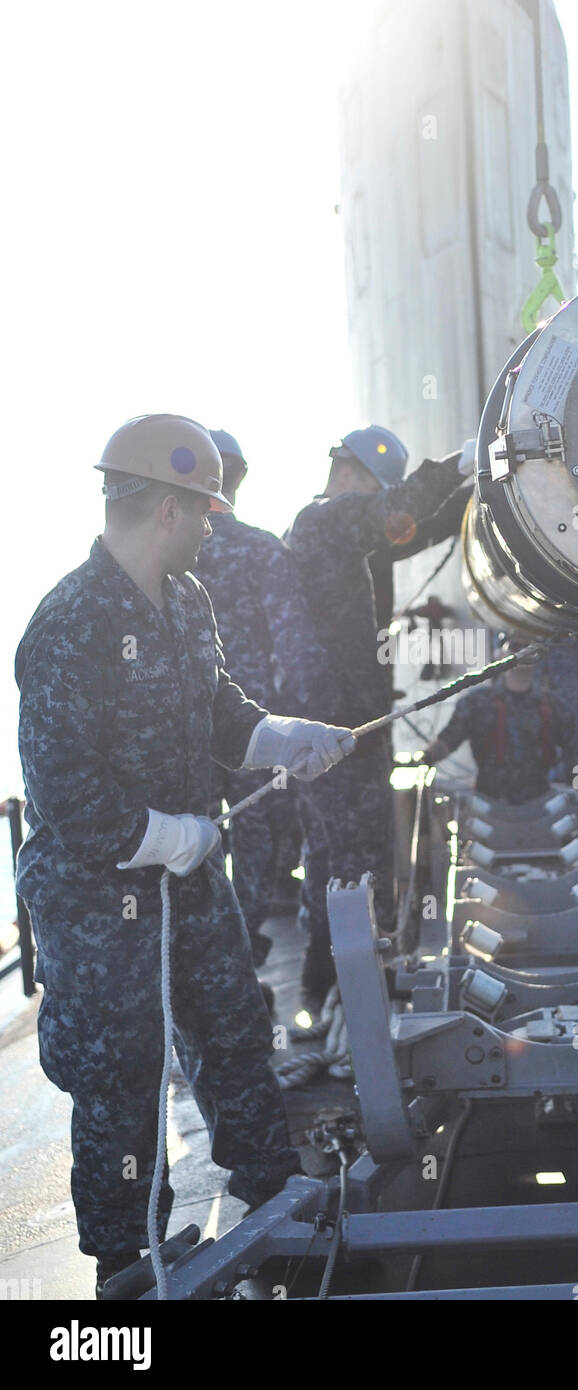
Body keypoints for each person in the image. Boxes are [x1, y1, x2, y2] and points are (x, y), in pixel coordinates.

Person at [15, 414, 355, 1295]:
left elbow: (220, 710)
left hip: (189, 876)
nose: (216, 522)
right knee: (120, 1070)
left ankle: (271, 1191)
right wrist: (171, 837)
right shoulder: (67, 626)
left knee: (233, 1025)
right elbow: (67, 796)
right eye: (205, 508)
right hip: (98, 896)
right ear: (166, 509)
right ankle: (128, 1259)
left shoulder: (188, 600)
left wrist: (284, 737)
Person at [284, 425, 474, 1007]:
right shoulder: (323, 521)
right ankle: (345, 984)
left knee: (349, 851)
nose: (375, 497)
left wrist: (476, 492)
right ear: (347, 472)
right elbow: (392, 513)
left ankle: (339, 977)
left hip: (352, 723)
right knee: (349, 856)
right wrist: (460, 463)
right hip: (337, 727)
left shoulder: (347, 533)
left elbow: (414, 527)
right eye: (373, 485)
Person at [194, 429, 313, 970]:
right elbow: (293, 646)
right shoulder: (263, 549)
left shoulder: (160, 551)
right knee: (258, 831)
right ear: (238, 480)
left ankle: (206, 946)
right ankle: (239, 944)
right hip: (252, 729)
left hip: (179, 727)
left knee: (190, 838)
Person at [421, 636, 578, 802]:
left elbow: (577, 748)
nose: (522, 652)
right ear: (501, 655)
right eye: (515, 645)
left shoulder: (554, 707)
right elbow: (446, 742)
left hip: (540, 805)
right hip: (487, 805)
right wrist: (422, 760)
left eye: (528, 646)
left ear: (539, 657)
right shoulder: (476, 704)